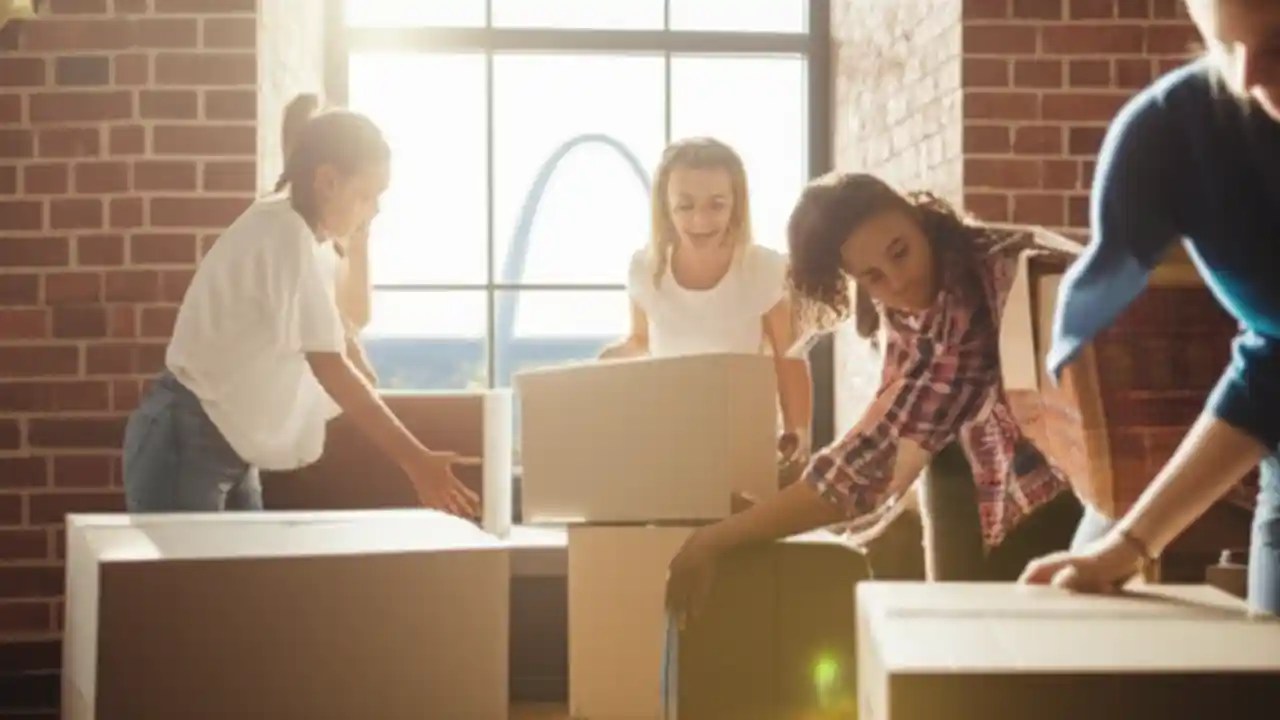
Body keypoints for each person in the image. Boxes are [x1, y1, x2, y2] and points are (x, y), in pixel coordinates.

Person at [665, 174, 1083, 621]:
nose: (899, 281)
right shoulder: (914, 296)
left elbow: (871, 461)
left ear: (916, 218)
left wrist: (718, 538)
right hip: (999, 467)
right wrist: (770, 512)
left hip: (1078, 482)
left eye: (900, 252)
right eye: (873, 276)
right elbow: (891, 420)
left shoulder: (972, 290)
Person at [1020, 0, 1280, 615]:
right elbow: (1273, 366)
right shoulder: (1184, 135)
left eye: (1278, 43)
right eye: (1224, 47)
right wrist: (1128, 545)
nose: (1247, 78)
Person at [121, 97, 477, 517]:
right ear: (327, 181)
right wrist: (415, 460)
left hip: (231, 440)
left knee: (246, 563)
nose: (375, 210)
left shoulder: (305, 236)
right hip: (187, 439)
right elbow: (329, 365)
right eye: (366, 196)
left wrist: (351, 336)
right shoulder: (284, 236)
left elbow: (339, 324)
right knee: (196, 564)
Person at [600, 137, 814, 462]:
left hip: (743, 439)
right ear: (665, 208)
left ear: (735, 205)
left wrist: (799, 433)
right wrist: (602, 365)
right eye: (685, 206)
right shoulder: (645, 270)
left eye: (716, 205)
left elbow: (789, 359)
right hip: (668, 438)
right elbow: (641, 340)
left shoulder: (765, 269)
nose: (700, 220)